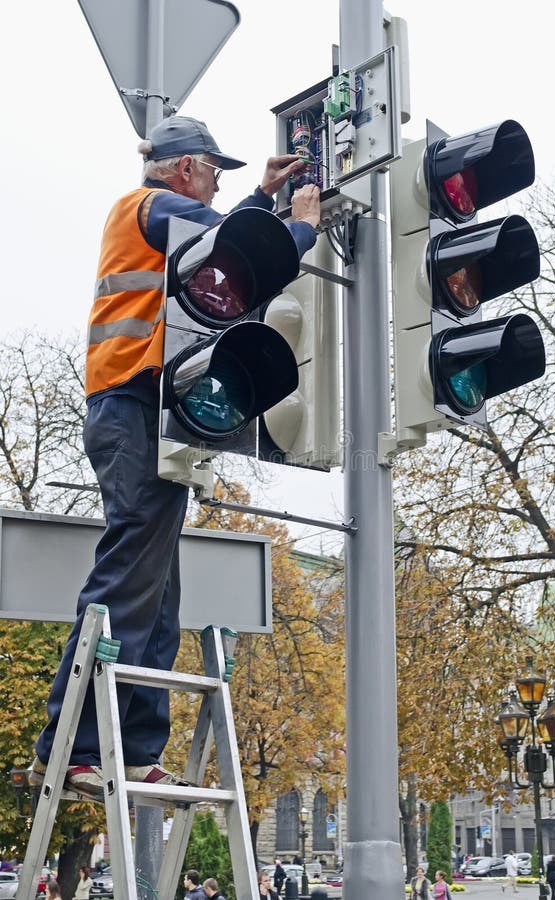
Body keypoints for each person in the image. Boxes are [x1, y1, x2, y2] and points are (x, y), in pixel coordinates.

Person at [29, 114, 320, 798]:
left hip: (137, 411)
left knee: (158, 587)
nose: (219, 180)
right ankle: (71, 745)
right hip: (129, 407)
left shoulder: (158, 212)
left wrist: (261, 202)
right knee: (130, 573)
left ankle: (134, 747)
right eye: (215, 169)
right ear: (184, 168)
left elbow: (213, 246)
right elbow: (216, 248)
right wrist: (298, 225)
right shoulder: (150, 205)